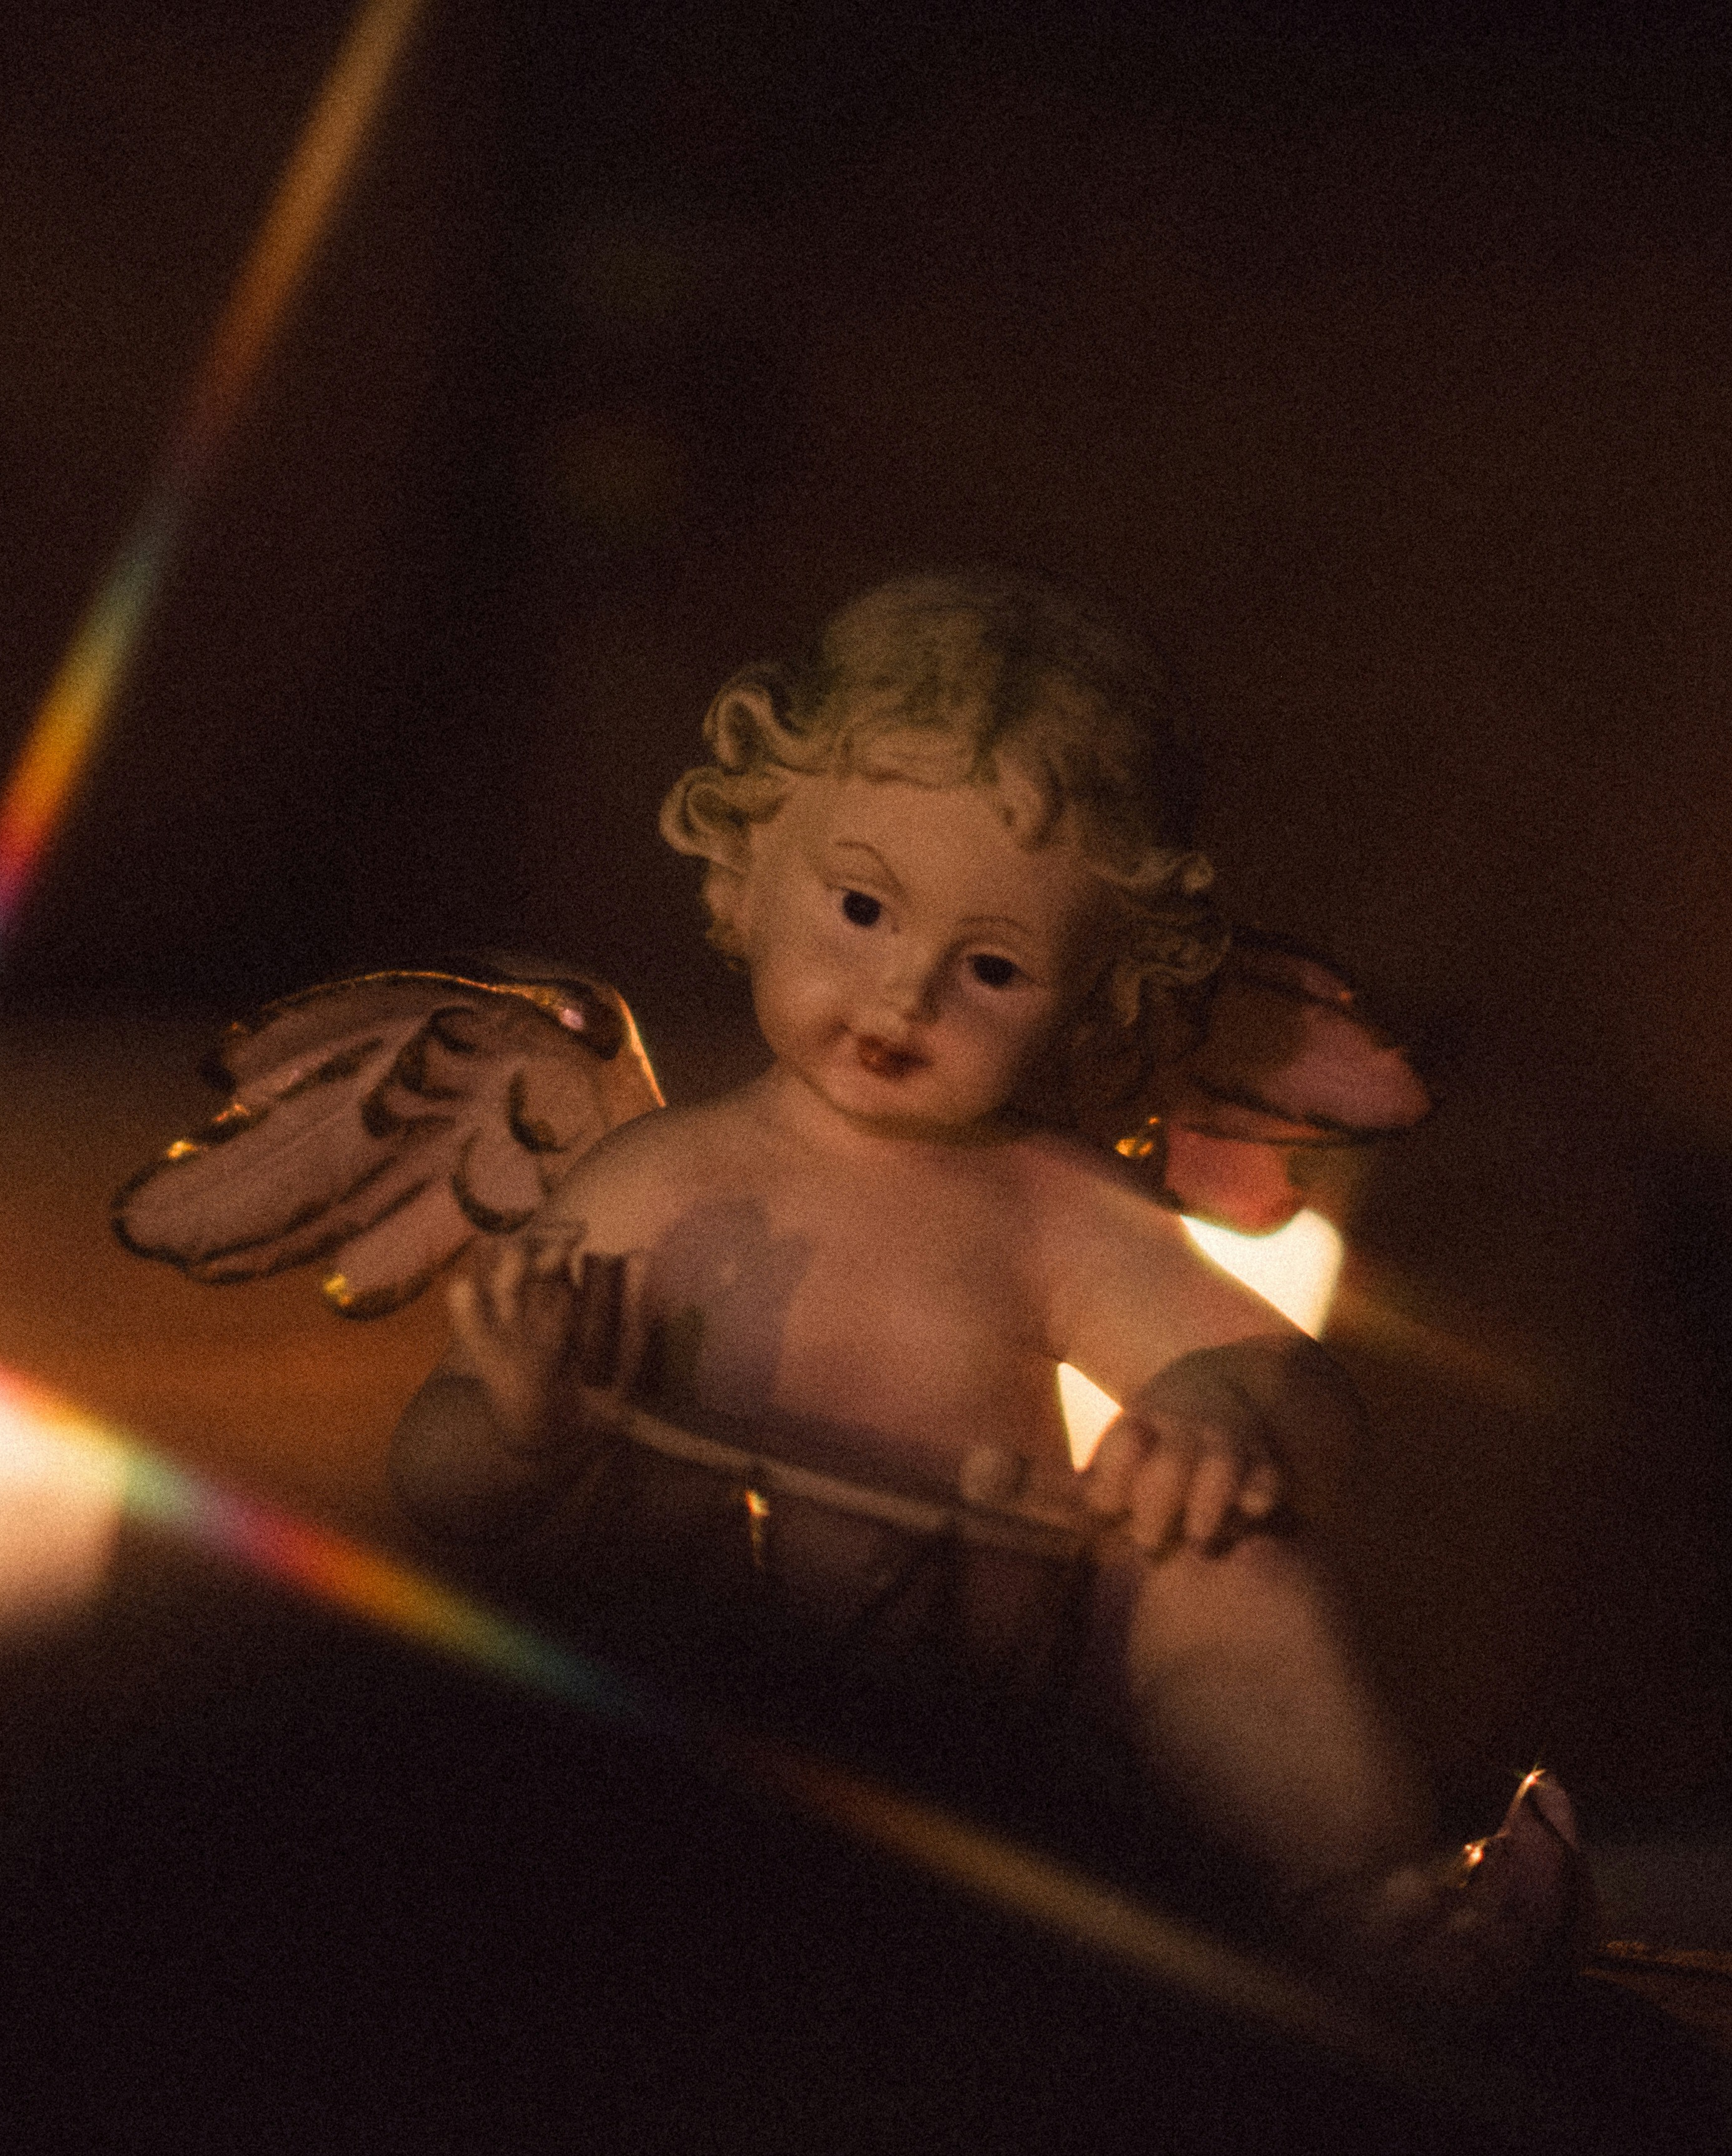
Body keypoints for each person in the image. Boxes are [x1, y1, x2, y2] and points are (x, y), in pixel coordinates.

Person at [386, 569, 1583, 2013]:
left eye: (995, 968)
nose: (907, 998)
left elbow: (1309, 1401)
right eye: (862, 908)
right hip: (695, 1712)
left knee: (1222, 1552)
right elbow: (438, 1485)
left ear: (1097, 997)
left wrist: (1212, 1420)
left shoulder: (1050, 1213)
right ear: (748, 870)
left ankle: (1367, 1922)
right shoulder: (666, 1185)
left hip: (993, 1737)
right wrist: (521, 1422)